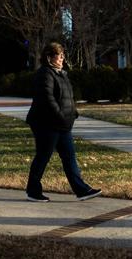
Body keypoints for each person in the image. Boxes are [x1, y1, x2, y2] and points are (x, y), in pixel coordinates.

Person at [25, 42, 101, 202]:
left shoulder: (61, 74)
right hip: (46, 124)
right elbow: (48, 99)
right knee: (43, 156)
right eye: (59, 56)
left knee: (69, 156)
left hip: (62, 124)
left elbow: (68, 97)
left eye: (62, 55)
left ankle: (82, 190)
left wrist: (73, 112)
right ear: (49, 58)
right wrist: (61, 116)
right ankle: (33, 191)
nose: (62, 59)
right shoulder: (45, 74)